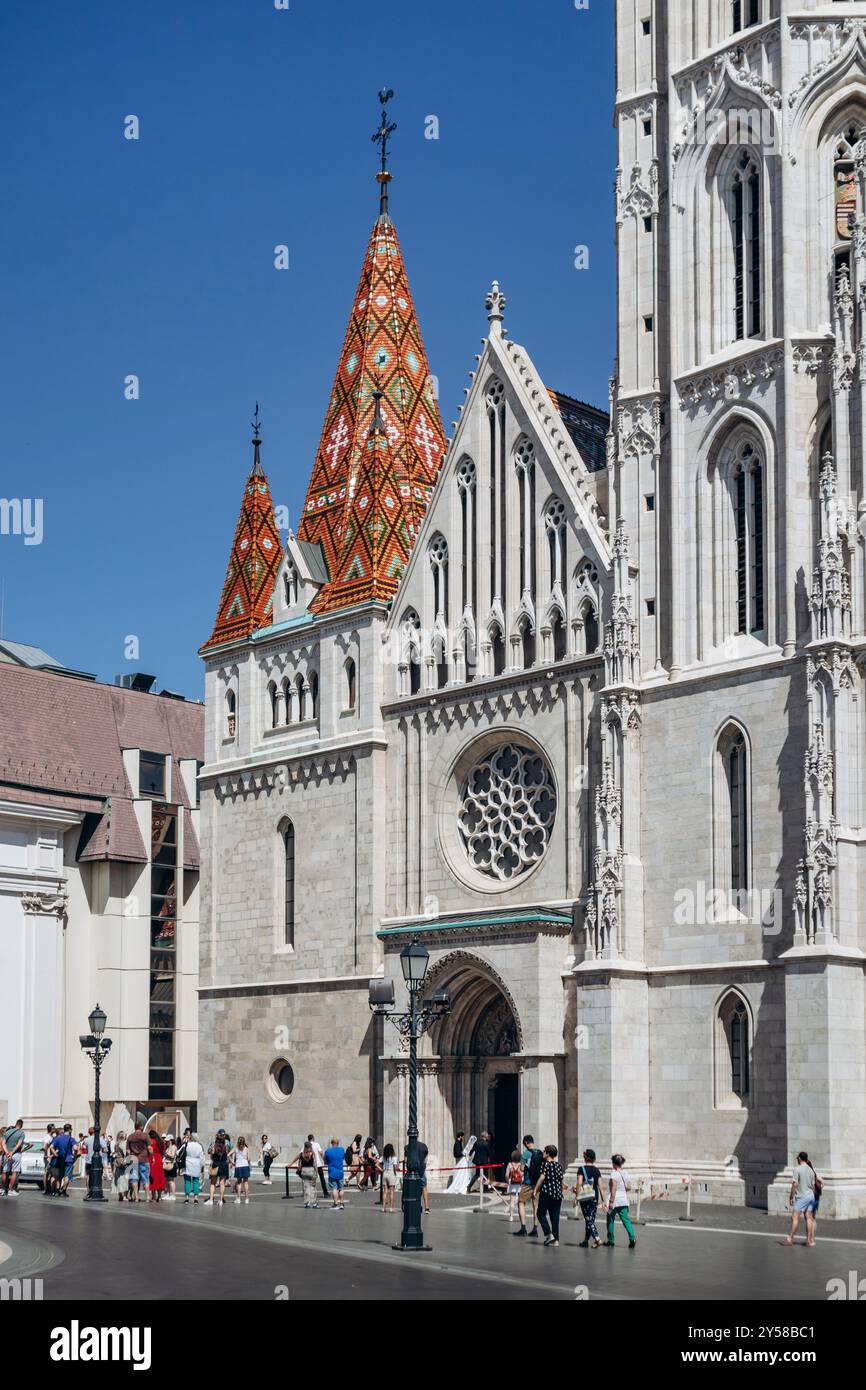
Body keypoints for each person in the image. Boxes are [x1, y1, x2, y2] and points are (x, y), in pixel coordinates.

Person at [786, 1151, 820, 1247]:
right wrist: (812, 1197)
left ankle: (790, 1239)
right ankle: (808, 1240)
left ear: (800, 1158)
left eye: (797, 1158)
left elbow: (795, 1184)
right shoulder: (810, 1170)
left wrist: (791, 1196)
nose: (797, 1159)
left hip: (802, 1197)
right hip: (811, 1196)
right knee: (808, 1217)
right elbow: (813, 1187)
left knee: (795, 1217)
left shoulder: (797, 1169)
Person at [574, 1147, 605, 1248]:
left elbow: (579, 1183)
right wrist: (604, 1200)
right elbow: (601, 1187)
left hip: (584, 1197)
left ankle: (597, 1238)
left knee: (588, 1219)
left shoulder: (581, 1169)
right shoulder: (597, 1170)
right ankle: (586, 1241)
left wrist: (576, 1197)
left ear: (585, 1157)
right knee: (591, 1219)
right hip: (594, 1197)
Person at [534, 1144, 564, 1247]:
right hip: (558, 1195)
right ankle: (556, 1240)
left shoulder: (545, 1164)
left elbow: (542, 1178)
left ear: (548, 1153)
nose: (543, 1152)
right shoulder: (558, 1165)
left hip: (547, 1193)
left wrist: (535, 1190)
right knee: (555, 1218)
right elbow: (561, 1180)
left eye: (544, 1151)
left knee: (540, 1213)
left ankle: (548, 1234)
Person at [513, 1135, 543, 1237]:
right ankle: (535, 1229)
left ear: (525, 1143)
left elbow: (521, 1169)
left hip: (528, 1183)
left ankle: (523, 1228)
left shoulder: (525, 1154)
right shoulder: (540, 1153)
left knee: (521, 1202)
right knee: (536, 1206)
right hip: (538, 1184)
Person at [605, 1154, 636, 1248]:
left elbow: (613, 1188)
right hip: (623, 1200)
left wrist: (611, 1201)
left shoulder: (613, 1173)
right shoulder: (625, 1173)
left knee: (610, 1219)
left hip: (615, 1201)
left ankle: (611, 1240)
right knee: (626, 1220)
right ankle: (632, 1238)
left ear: (614, 1163)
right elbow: (629, 1187)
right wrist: (622, 1189)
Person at [126, 1124, 151, 1202]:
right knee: (146, 1179)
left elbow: (128, 1151)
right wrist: (151, 1156)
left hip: (133, 1160)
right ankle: (147, 1197)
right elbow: (150, 1148)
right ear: (141, 1127)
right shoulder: (145, 1136)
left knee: (134, 1179)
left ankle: (136, 1197)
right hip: (144, 1159)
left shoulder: (130, 1137)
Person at [1, 1118, 25, 1197]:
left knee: (5, 1171)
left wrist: (7, 1152)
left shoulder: (7, 1132)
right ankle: (10, 1190)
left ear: (16, 1124)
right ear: (21, 1125)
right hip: (16, 1154)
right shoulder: (21, 1133)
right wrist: (12, 1152)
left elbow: (3, 1143)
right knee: (15, 1171)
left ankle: (2, 1189)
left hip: (7, 1155)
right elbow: (19, 1144)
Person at [292, 1140, 319, 1208]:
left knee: (306, 1187)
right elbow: (314, 1164)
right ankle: (314, 1203)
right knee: (312, 1187)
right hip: (311, 1170)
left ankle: (307, 1203)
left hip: (304, 1171)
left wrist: (290, 1164)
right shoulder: (312, 1154)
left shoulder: (302, 1154)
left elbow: (295, 1159)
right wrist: (317, 1172)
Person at [205, 1131, 230, 1205]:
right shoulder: (227, 1143)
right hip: (224, 1164)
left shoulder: (213, 1143)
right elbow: (229, 1151)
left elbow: (209, 1152)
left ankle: (211, 1200)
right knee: (222, 1183)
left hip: (216, 1164)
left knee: (213, 1183)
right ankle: (221, 1200)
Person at [323, 1136, 346, 1210]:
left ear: (331, 1143)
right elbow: (343, 1158)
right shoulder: (342, 1150)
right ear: (338, 1143)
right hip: (340, 1171)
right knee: (341, 1188)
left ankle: (336, 1203)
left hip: (332, 1172)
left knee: (334, 1188)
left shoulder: (328, 1151)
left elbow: (325, 1162)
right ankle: (342, 1203)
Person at [183, 1133, 205, 1204]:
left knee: (187, 1180)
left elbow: (179, 1152)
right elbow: (202, 1157)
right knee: (196, 1180)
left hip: (188, 1162)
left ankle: (187, 1198)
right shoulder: (199, 1146)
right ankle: (196, 1198)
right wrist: (202, 1166)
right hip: (196, 1163)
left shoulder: (187, 1144)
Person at [504, 1150, 524, 1221]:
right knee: (519, 1199)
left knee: (511, 1200)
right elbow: (522, 1174)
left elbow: (506, 1175)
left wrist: (507, 1181)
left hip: (512, 1183)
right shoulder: (521, 1164)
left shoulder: (509, 1165)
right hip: (519, 1184)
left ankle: (511, 1216)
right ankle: (519, 1214)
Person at [379, 1143, 398, 1212]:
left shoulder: (383, 1157)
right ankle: (391, 1208)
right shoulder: (394, 1157)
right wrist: (395, 1173)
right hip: (391, 1173)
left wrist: (381, 1169)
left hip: (385, 1173)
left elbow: (377, 1164)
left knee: (385, 1191)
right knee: (392, 1192)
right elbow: (395, 1168)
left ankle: (383, 1207)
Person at [308, 1134, 328, 1199]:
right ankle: (325, 1193)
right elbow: (321, 1153)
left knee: (311, 1180)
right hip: (318, 1164)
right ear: (313, 1138)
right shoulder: (316, 1144)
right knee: (322, 1179)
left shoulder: (306, 1145)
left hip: (310, 1165)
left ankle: (310, 1193)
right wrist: (324, 1161)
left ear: (308, 1139)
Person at [148, 1131, 166, 1203]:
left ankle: (153, 1196)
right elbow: (163, 1151)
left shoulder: (150, 1141)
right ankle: (159, 1196)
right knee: (159, 1177)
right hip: (159, 1159)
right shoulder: (160, 1142)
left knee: (153, 1177)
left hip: (152, 1159)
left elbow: (149, 1150)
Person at [234, 1136, 252, 1204]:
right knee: (246, 1182)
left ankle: (238, 1198)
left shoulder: (236, 1148)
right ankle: (246, 1199)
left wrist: (233, 1162)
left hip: (238, 1166)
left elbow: (228, 1155)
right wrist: (249, 1164)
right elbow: (249, 1159)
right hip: (245, 1165)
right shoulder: (246, 1149)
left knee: (239, 1182)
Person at [163, 1136, 178, 1201]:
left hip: (171, 1164)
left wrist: (166, 1154)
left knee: (171, 1181)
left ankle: (173, 1195)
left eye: (167, 1141)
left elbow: (172, 1156)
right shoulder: (168, 1147)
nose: (166, 1142)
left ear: (171, 1140)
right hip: (166, 1165)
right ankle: (168, 1194)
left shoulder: (174, 1147)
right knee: (166, 1180)